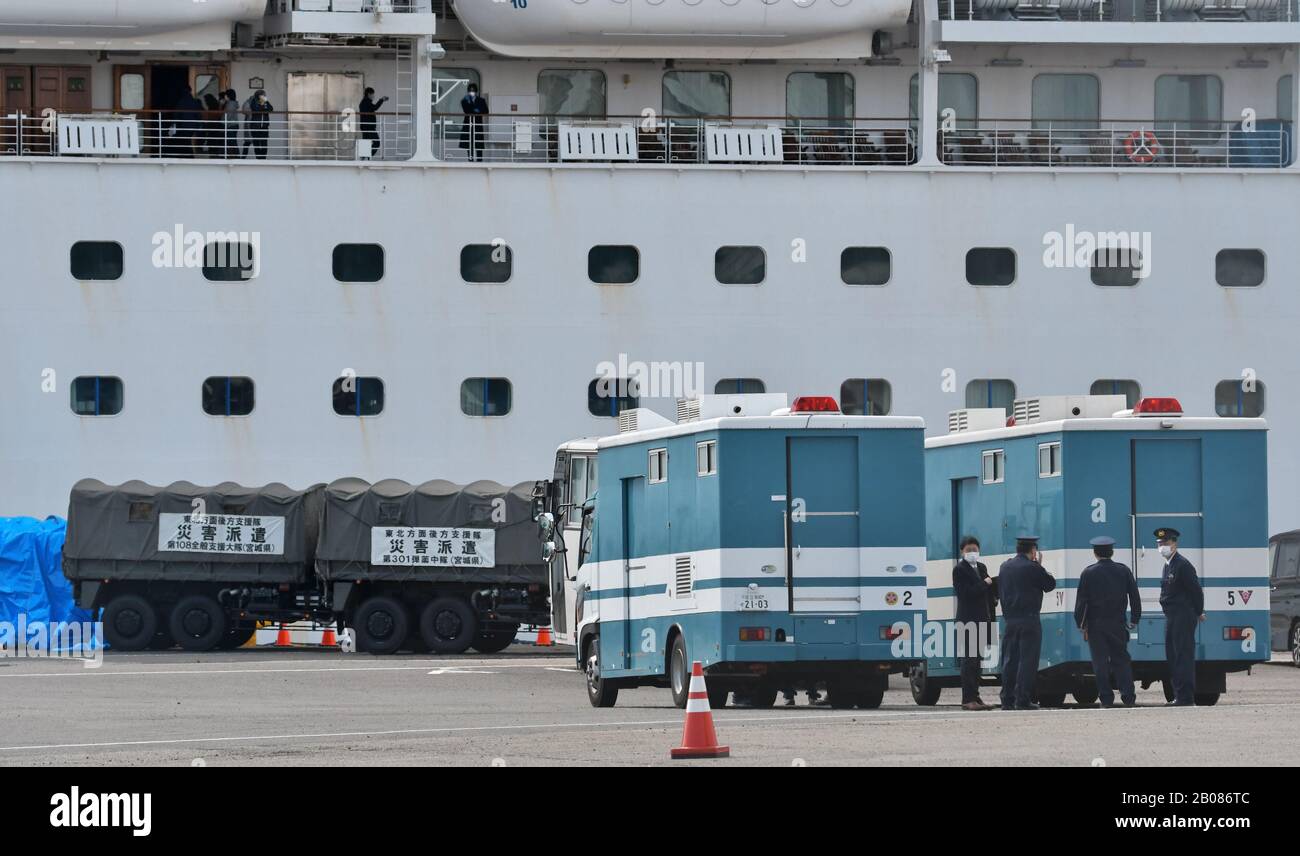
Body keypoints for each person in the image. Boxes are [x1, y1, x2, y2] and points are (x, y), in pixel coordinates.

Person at [1074, 536, 1141, 708]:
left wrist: (1081, 624)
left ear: (1095, 553)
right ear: (1112, 552)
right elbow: (1134, 596)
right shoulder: (1123, 570)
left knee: (1100, 662)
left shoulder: (1088, 572)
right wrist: (1134, 618)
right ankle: (1128, 697)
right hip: (1118, 623)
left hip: (1096, 625)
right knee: (1121, 660)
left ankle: (1106, 698)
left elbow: (1082, 602)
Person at [996, 535, 1056, 711]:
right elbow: (1049, 584)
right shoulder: (1033, 567)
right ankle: (1022, 699)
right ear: (1033, 551)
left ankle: (1007, 699)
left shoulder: (1004, 567)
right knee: (1027, 661)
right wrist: (1039, 565)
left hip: (1010, 620)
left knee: (1009, 660)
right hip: (1029, 620)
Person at [1157, 527, 1204, 706]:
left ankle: (1185, 697)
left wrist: (1198, 611)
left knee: (1183, 656)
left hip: (1183, 616)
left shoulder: (1183, 565)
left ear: (1174, 544)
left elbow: (1196, 591)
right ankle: (1178, 695)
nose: (1162, 546)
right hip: (1171, 616)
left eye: (1166, 543)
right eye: (1160, 543)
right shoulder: (1168, 565)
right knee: (1173, 656)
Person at [953, 535, 997, 711]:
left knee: (978, 661)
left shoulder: (981, 567)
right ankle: (967, 698)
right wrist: (984, 584)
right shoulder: (959, 570)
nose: (972, 552)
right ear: (962, 551)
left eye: (975, 549)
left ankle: (976, 696)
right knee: (969, 660)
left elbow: (987, 589)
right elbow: (965, 594)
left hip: (983, 618)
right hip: (968, 620)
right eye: (968, 550)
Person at [459, 83, 488, 162]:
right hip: (468, 124)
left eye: (473, 90)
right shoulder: (464, 100)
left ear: (476, 91)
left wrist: (477, 110)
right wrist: (475, 109)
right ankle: (470, 159)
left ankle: (479, 160)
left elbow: (486, 111)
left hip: (478, 124)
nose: (472, 92)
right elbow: (467, 111)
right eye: (470, 90)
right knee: (469, 143)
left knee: (478, 143)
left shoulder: (481, 100)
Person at [173, 85, 204, 158]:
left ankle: (186, 156)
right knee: (190, 141)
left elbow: (176, 114)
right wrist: (199, 125)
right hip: (193, 126)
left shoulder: (181, 101)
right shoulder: (194, 101)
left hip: (183, 126)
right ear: (190, 91)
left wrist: (175, 124)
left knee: (184, 142)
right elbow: (199, 114)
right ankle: (191, 155)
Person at [243, 89, 273, 160]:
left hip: (264, 126)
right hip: (255, 126)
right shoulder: (253, 102)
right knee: (257, 144)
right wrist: (263, 105)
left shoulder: (266, 102)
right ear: (259, 96)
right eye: (264, 95)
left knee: (264, 144)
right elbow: (256, 109)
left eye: (265, 95)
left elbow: (271, 109)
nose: (265, 96)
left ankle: (263, 159)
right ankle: (258, 159)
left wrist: (264, 103)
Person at [358, 87, 388, 159]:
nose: (373, 96)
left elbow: (372, 108)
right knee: (376, 142)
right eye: (373, 95)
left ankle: (364, 158)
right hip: (368, 126)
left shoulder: (364, 102)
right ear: (369, 94)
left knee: (366, 142)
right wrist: (381, 100)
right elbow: (375, 108)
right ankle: (367, 156)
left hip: (365, 126)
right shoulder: (366, 102)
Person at [221, 89, 240, 158]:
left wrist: (221, 121)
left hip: (230, 125)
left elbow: (227, 115)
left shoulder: (230, 104)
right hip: (232, 125)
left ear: (228, 96)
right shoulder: (230, 103)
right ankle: (233, 156)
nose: (224, 96)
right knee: (231, 141)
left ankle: (235, 157)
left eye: (225, 95)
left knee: (231, 142)